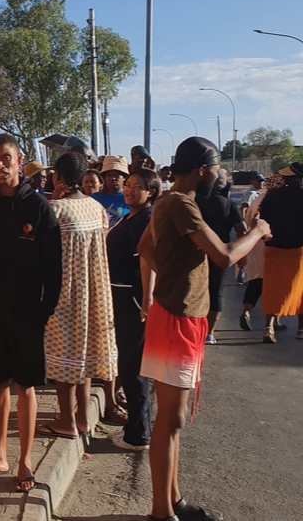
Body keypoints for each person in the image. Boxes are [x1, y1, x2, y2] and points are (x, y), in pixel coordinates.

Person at [138, 137, 270, 521]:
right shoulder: (179, 202)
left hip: (184, 316)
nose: (219, 176)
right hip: (177, 319)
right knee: (169, 421)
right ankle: (162, 511)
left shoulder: (171, 202)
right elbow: (225, 257)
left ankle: (173, 500)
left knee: (173, 420)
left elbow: (146, 248)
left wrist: (172, 276)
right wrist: (258, 230)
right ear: (201, 169)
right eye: (215, 169)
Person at [0, 134, 61, 493]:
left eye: (5, 158)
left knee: (26, 384)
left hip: (28, 311)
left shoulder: (38, 207)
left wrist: (45, 308)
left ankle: (25, 460)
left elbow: (54, 265)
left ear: (19, 160)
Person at [38, 153, 117, 445]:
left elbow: (41, 251)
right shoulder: (96, 207)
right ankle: (83, 417)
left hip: (66, 290)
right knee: (82, 355)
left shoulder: (55, 210)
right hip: (94, 291)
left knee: (65, 357)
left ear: (58, 176)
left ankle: (66, 421)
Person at [107, 168, 161, 452]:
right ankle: (138, 428)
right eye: (127, 185)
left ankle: (138, 434)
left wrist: (148, 299)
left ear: (151, 191)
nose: (129, 190)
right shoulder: (132, 216)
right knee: (130, 363)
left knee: (134, 365)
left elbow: (147, 261)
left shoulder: (147, 219)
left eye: (136, 186)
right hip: (122, 295)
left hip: (133, 298)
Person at [194, 169, 247, 343]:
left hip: (195, 252)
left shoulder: (193, 200)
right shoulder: (228, 203)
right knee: (216, 290)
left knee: (194, 290)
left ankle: (193, 328)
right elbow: (242, 230)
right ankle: (210, 332)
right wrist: (242, 256)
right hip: (220, 253)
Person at [259, 162, 303, 343]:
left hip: (274, 247)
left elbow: (262, 220)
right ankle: (301, 329)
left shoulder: (271, 196)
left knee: (272, 287)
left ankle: (269, 327)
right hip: (298, 249)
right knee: (299, 289)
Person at [239, 174, 280, 331]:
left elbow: (249, 219)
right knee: (273, 285)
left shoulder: (258, 199)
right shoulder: (276, 201)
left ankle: (246, 312)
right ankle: (272, 323)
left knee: (255, 282)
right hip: (272, 247)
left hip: (255, 246)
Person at [92, 156, 130, 227]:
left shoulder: (130, 199)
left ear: (124, 178)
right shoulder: (94, 199)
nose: (113, 178)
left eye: (117, 175)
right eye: (109, 175)